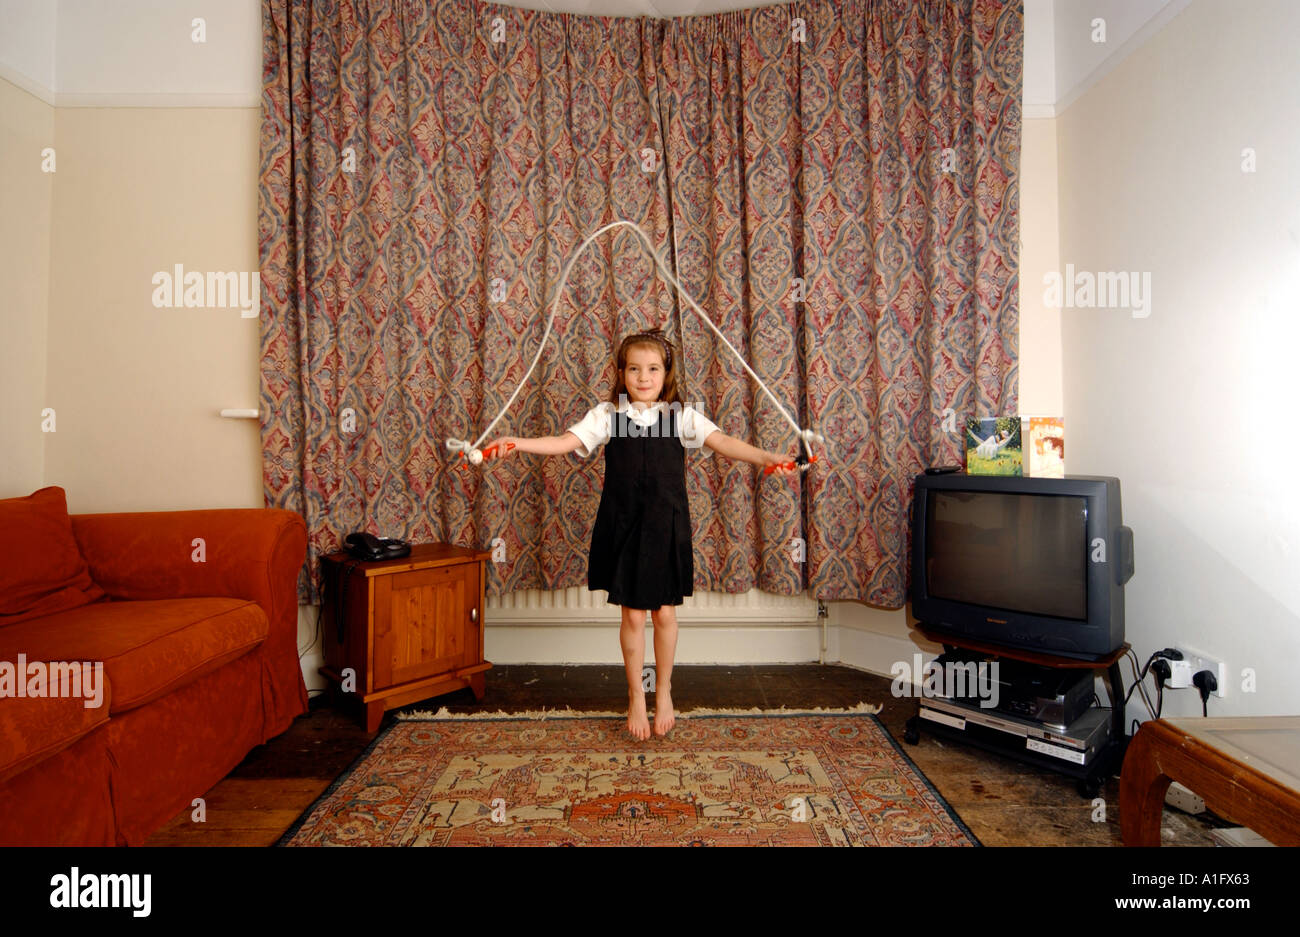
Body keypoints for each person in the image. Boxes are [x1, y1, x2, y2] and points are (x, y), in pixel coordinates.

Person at [481, 327, 797, 740]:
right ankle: (635, 696)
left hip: (666, 526)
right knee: (632, 613)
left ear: (666, 374)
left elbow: (723, 442)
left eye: (652, 369)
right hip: (624, 524)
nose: (643, 377)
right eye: (634, 369)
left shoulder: (682, 416)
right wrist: (518, 443)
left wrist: (765, 457)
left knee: (664, 612)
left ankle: (663, 691)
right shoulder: (607, 416)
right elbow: (563, 442)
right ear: (621, 373)